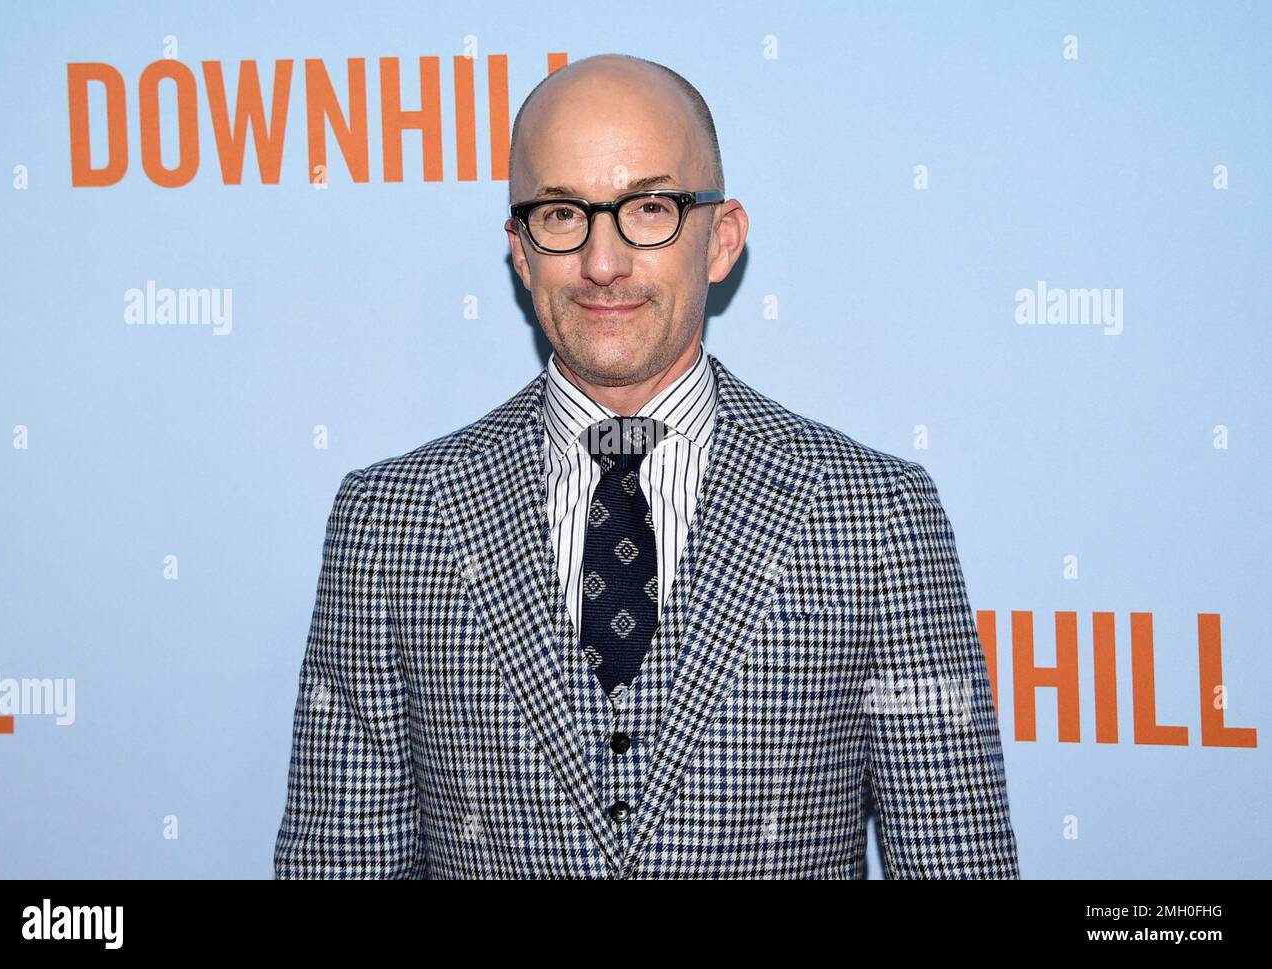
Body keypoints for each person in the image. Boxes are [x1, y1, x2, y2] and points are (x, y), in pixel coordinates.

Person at [273, 53, 1020, 879]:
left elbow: (958, 858)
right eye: (562, 213)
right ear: (520, 249)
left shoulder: (876, 516)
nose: (603, 261)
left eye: (650, 208)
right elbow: (340, 863)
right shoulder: (392, 520)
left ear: (721, 239)